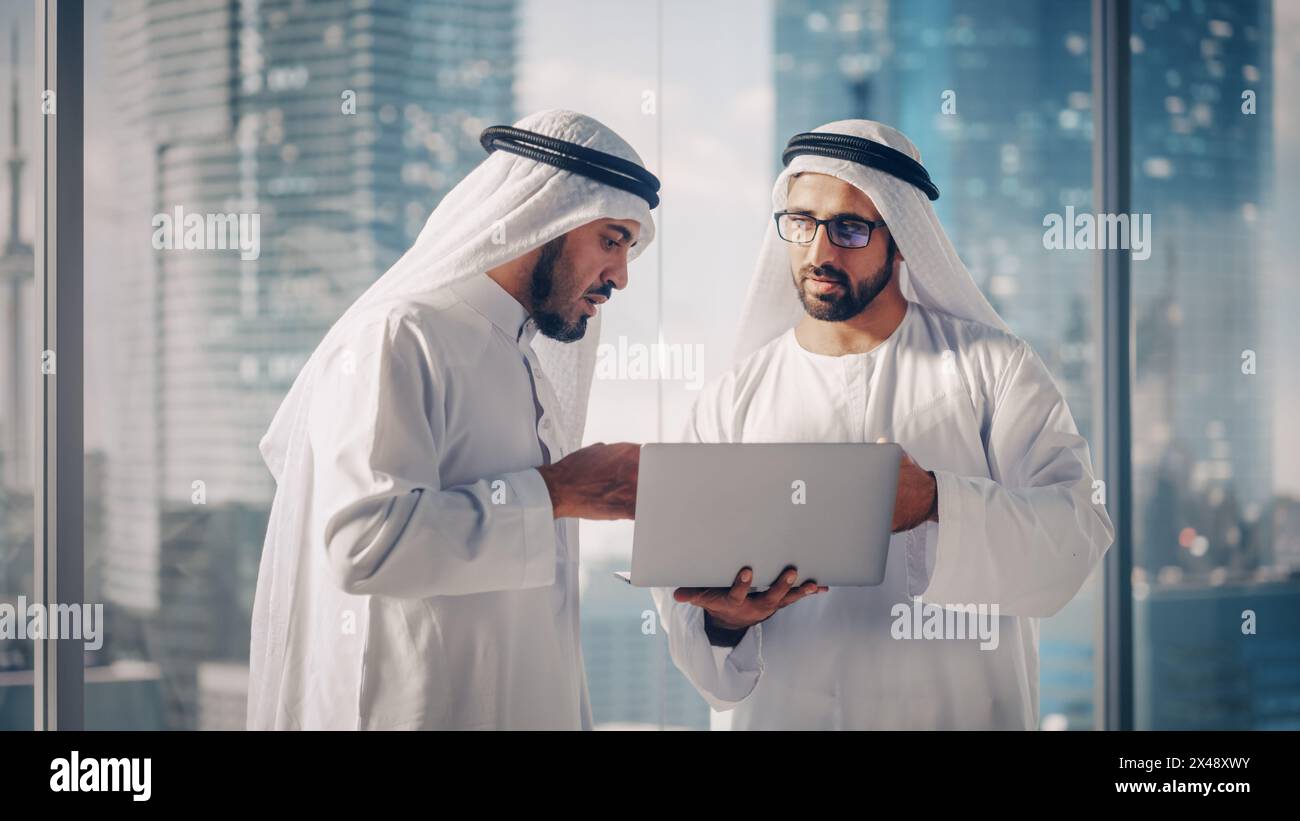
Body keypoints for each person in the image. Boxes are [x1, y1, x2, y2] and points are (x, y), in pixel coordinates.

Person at [652, 120, 1114, 730]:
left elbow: (1075, 538)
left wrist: (937, 501)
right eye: (802, 224)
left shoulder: (994, 369)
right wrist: (725, 620)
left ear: (902, 241)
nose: (820, 252)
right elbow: (688, 613)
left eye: (849, 227)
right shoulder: (731, 399)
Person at [248, 110, 657, 730]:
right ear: (544, 217)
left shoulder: (519, 359)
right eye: (610, 239)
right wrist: (559, 491)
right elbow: (364, 546)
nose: (620, 277)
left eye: (629, 248)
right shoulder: (400, 335)